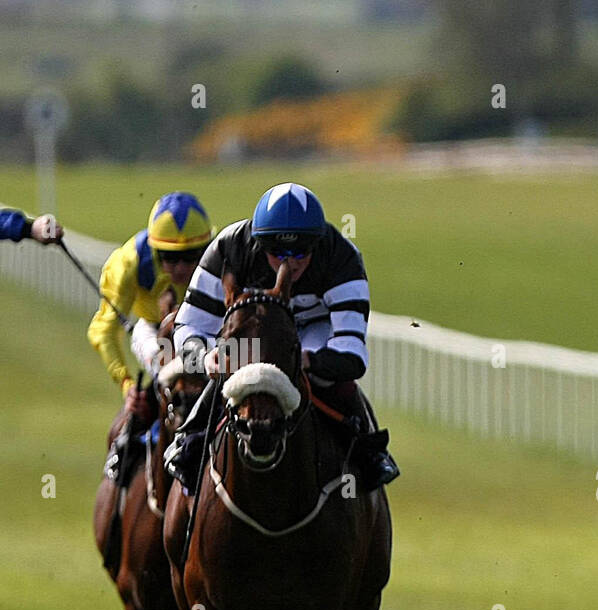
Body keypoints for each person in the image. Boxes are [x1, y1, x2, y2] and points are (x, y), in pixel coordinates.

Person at [166, 181, 398, 491]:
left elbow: (352, 354)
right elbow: (188, 327)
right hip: (256, 329)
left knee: (330, 381)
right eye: (277, 251)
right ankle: (189, 443)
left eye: (301, 250)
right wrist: (208, 355)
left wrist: (304, 359)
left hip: (314, 331)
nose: (290, 262)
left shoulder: (341, 256)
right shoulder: (228, 249)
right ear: (260, 244)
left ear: (317, 243)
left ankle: (369, 451)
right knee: (226, 376)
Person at [89, 192, 214, 482]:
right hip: (153, 327)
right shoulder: (129, 263)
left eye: (191, 256)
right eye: (169, 258)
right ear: (155, 251)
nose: (180, 268)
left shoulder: (222, 256)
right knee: (165, 366)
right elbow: (103, 331)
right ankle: (124, 456)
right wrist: (127, 384)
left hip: (205, 330)